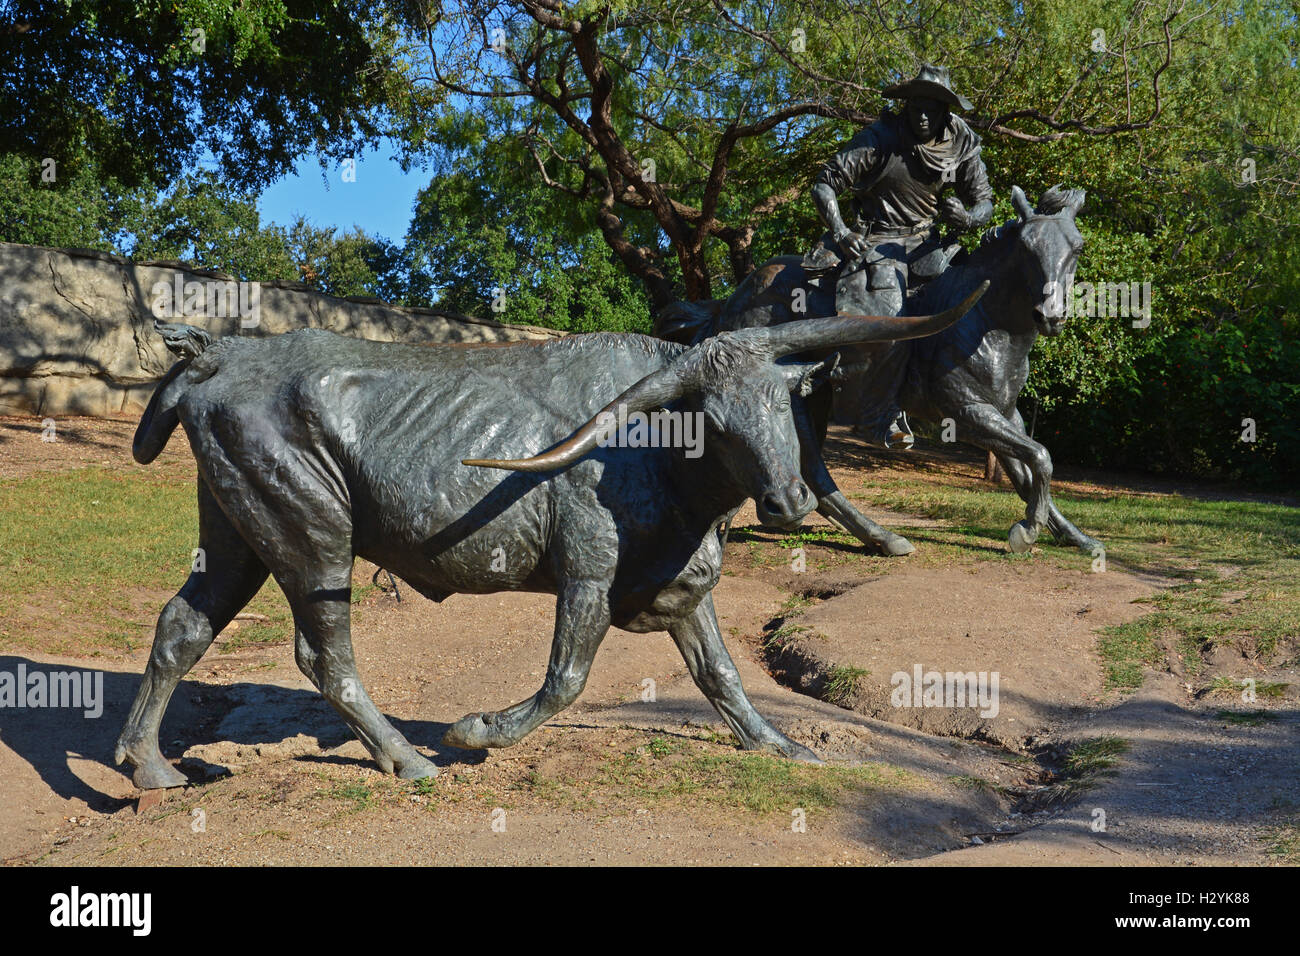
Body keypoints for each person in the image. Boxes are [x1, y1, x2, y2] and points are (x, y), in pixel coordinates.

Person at [804, 64, 994, 448]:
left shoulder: (963, 142)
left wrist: (970, 217)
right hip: (879, 242)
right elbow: (824, 184)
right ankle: (880, 416)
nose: (922, 115)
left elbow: (985, 202)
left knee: (974, 301)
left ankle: (961, 397)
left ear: (946, 111)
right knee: (893, 317)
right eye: (916, 106)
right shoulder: (880, 138)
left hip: (929, 245)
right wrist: (841, 232)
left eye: (932, 108)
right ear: (906, 104)